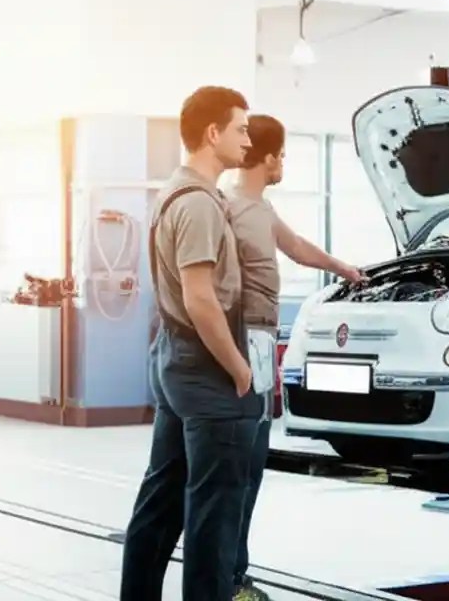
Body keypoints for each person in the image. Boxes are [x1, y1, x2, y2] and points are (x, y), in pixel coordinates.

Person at [120, 85, 264, 601]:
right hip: (206, 367)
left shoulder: (175, 193)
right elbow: (201, 298)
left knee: (160, 502)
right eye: (241, 128)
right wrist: (240, 370)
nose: (248, 140)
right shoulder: (200, 205)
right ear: (212, 133)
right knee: (214, 516)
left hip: (175, 360)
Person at [225, 113, 362, 601]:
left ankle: (235, 572)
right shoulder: (231, 207)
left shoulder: (258, 208)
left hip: (261, 341)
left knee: (254, 460)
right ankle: (230, 578)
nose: (284, 163)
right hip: (246, 340)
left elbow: (297, 247)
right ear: (266, 158)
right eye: (281, 154)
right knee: (242, 465)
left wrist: (343, 268)